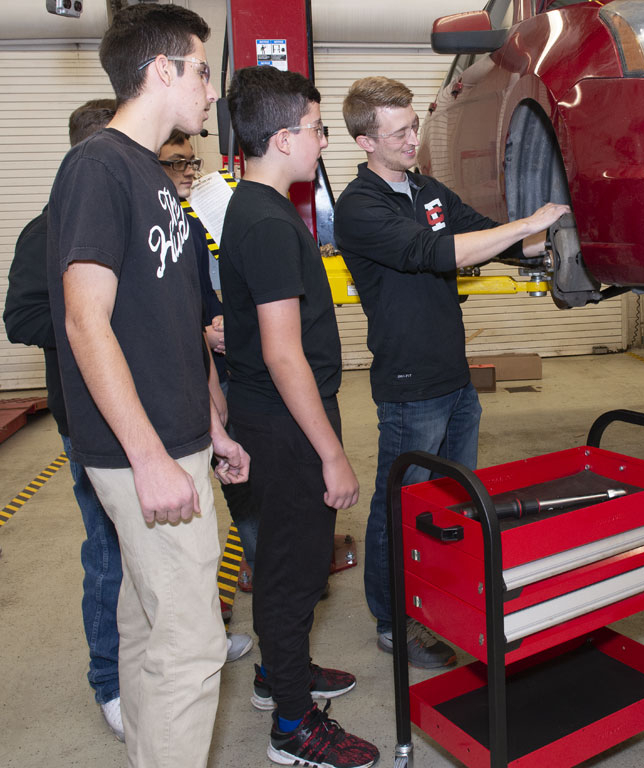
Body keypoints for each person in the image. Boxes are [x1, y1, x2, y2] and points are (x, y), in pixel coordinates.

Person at [45, 6, 249, 768]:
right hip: (144, 451)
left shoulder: (154, 176)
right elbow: (85, 321)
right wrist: (149, 457)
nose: (210, 89)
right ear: (162, 69)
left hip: (176, 436)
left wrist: (212, 427)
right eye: (201, 69)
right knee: (192, 645)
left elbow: (168, 323)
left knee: (146, 622)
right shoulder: (98, 167)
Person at [334, 76, 570, 667]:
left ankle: (438, 594)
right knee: (401, 505)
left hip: (455, 378)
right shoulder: (359, 207)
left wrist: (549, 240)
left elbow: (478, 233)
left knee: (449, 501)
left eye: (413, 126)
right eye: (398, 133)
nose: (412, 139)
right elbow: (436, 252)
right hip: (410, 385)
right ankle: (394, 620)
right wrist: (527, 224)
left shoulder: (426, 189)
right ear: (366, 141)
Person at [220, 65, 378, 768]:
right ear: (283, 137)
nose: (323, 142)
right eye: (316, 129)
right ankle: (292, 725)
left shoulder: (257, 208)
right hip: (285, 427)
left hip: (273, 417)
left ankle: (277, 673)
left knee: (293, 563)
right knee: (293, 573)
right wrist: (332, 456)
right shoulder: (268, 223)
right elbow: (284, 355)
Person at [4, 99, 125, 741]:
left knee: (167, 543)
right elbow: (22, 319)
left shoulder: (137, 214)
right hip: (89, 417)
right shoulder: (46, 229)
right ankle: (110, 680)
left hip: (156, 411)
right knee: (108, 550)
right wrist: (94, 325)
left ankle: (181, 643)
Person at [157, 129, 254, 663]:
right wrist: (202, 337)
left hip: (214, 376)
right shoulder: (145, 229)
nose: (189, 173)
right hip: (175, 395)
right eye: (177, 163)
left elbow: (201, 297)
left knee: (236, 496)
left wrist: (216, 327)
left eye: (191, 163)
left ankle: (256, 573)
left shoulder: (193, 222)